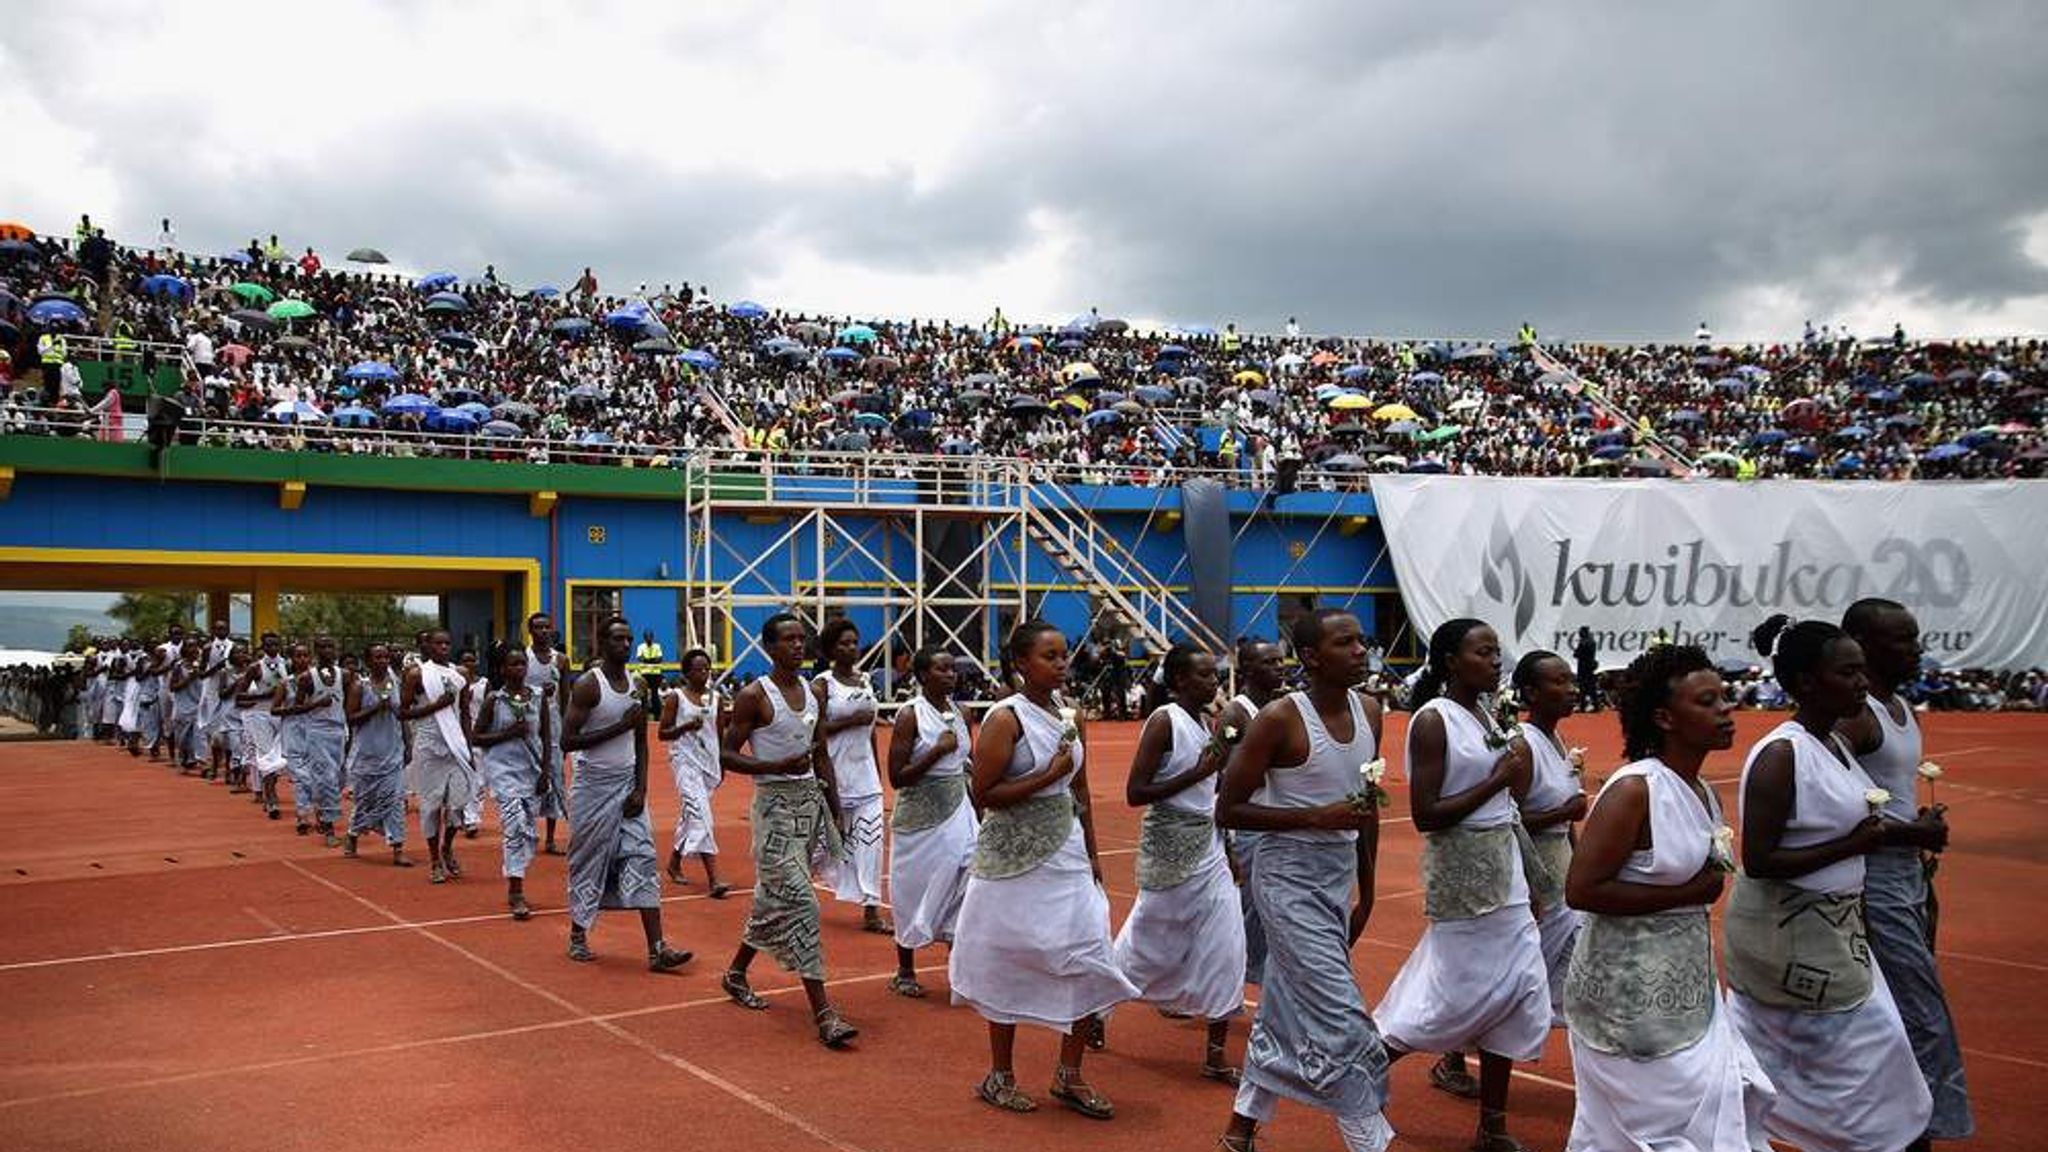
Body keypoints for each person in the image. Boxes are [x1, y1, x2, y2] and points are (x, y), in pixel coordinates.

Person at [1725, 615, 1940, 1152]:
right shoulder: (1781, 754)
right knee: (1865, 1061)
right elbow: (1759, 858)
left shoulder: (1834, 746)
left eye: (1862, 672)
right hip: (1795, 940)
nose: (1862, 684)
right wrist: (1856, 846)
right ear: (1805, 683)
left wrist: (1909, 833)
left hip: (1839, 934)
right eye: (1848, 673)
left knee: (1878, 1064)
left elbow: (1859, 823)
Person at [1561, 644, 1774, 1151]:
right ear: (1664, 717)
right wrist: (1688, 892)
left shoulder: (1702, 790)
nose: (1726, 710)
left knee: (1721, 1107)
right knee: (1656, 1130)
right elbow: (1582, 889)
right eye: (1707, 702)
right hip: (1626, 1001)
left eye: (1724, 698)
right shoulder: (1636, 790)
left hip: (1689, 992)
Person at [1214, 609, 1391, 1152]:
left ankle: (1239, 1130)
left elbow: (1365, 807)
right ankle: (1371, 1139)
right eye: (1346, 643)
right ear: (1311, 657)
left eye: (1361, 641)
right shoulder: (1280, 720)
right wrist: (1312, 818)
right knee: (1343, 1019)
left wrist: (1369, 888)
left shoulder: (1371, 711)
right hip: (1285, 878)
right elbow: (1228, 809)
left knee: (1284, 1003)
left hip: (1337, 878)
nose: (1360, 650)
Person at [1376, 618, 1549, 1152]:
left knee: (1517, 993)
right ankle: (1362, 1065)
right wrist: (1497, 777)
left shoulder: (1488, 714)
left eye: (1497, 652)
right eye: (1482, 652)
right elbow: (1428, 814)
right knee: (1452, 994)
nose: (1495, 661)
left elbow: (1509, 798)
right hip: (1464, 876)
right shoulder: (1434, 720)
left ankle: (1492, 1127)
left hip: (1506, 868)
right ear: (1450, 659)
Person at [951, 621, 1135, 1118]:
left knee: (1088, 952)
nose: (1060, 663)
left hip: (1068, 856)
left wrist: (1094, 856)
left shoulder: (1071, 714)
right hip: (1014, 861)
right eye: (1049, 656)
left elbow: (1080, 791)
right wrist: (1045, 775)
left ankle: (1069, 1074)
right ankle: (1000, 1075)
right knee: (1007, 959)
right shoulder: (1004, 718)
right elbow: (985, 795)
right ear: (1020, 664)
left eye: (1064, 655)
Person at [1838, 598, 1973, 1143]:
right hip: (1874, 882)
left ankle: (1891, 1125)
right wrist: (1909, 832)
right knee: (1918, 1012)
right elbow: (1823, 803)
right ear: (1864, 648)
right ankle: (1910, 1129)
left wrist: (1915, 829)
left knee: (1897, 1008)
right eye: (1904, 640)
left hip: (1906, 877)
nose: (1916, 649)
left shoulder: (1898, 709)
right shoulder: (1857, 715)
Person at [1434, 647, 1590, 1098]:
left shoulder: (1558, 742)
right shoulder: (1521, 743)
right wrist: (1564, 812)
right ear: (1530, 693)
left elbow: (1566, 822)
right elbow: (1512, 818)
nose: (1571, 689)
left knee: (1546, 975)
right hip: (1530, 868)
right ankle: (1453, 1053)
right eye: (1559, 682)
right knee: (1512, 978)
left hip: (1559, 868)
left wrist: (1575, 853)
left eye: (1571, 680)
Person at [717, 613, 859, 1048]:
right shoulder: (754, 696)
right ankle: (824, 1014)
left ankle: (736, 971)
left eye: (802, 639)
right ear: (769, 647)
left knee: (771, 901)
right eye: (789, 639)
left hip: (809, 809)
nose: (798, 646)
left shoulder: (814, 695)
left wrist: (835, 810)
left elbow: (821, 757)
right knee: (803, 903)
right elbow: (726, 755)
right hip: (773, 812)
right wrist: (775, 766)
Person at [1112, 642, 1246, 1082]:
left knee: (1227, 944)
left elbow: (1211, 793)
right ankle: (1099, 1003)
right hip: (1169, 846)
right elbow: (1136, 793)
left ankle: (1215, 1052)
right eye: (1205, 675)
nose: (1214, 682)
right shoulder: (1163, 722)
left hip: (1210, 848)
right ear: (1179, 681)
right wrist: (1200, 772)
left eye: (1215, 674)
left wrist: (1227, 847)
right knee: (1147, 940)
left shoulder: (1207, 722)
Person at [559, 618, 692, 971]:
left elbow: (640, 743)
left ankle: (657, 948)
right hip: (592, 786)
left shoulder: (638, 686)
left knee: (643, 858)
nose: (626, 644)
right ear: (601, 642)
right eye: (618, 639)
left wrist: (640, 788)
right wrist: (619, 725)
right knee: (587, 860)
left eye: (629, 638)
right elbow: (567, 741)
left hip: (627, 786)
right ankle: (578, 933)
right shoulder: (589, 685)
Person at [883, 646, 977, 998]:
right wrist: (937, 751)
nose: (951, 674)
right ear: (922, 676)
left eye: (953, 668)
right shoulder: (911, 716)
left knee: (966, 881)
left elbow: (971, 762)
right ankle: (905, 969)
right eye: (942, 670)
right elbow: (897, 776)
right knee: (911, 891)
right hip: (920, 821)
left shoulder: (963, 712)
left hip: (959, 812)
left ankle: (958, 966)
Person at [814, 620, 889, 933]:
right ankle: (789, 897)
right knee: (819, 844)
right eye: (843, 643)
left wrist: (877, 768)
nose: (850, 648)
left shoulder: (867, 681)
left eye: (854, 642)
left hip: (865, 777)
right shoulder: (822, 685)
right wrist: (850, 722)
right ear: (831, 649)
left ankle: (871, 910)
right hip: (832, 775)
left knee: (872, 842)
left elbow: (869, 730)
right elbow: (812, 734)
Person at [1222, 638, 1287, 985]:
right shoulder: (1237, 712)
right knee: (1252, 904)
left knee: (1273, 904)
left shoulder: (1284, 708)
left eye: (1281, 661)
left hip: (1280, 818)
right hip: (1250, 821)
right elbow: (1225, 773)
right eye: (1270, 663)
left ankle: (1260, 973)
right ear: (1247, 670)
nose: (1280, 667)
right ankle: (1237, 971)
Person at [471, 643, 552, 921]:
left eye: (522, 664)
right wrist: (508, 733)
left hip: (531, 770)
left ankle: (517, 872)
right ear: (502, 669)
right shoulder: (494, 700)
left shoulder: (538, 697)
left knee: (528, 830)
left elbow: (545, 736)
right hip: (504, 773)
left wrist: (545, 772)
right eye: (513, 664)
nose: (519, 669)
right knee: (515, 825)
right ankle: (516, 890)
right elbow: (477, 737)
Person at [400, 630, 477, 883]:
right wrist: (436, 706)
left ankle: (447, 845)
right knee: (431, 805)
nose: (443, 647)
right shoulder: (416, 675)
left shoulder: (460, 674)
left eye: (447, 643)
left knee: (458, 804)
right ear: (427, 646)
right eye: (438, 643)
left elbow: (464, 711)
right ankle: (434, 859)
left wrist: (469, 746)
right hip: (429, 745)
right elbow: (402, 713)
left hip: (455, 746)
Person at [658, 648, 728, 896]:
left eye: (707, 669)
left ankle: (674, 862)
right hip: (685, 763)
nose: (704, 674)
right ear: (686, 673)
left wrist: (722, 764)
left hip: (709, 765)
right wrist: (685, 726)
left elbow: (720, 734)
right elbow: (662, 733)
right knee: (701, 815)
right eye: (699, 669)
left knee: (691, 814)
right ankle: (714, 879)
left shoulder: (717, 698)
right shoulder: (676, 698)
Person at [343, 644, 411, 867]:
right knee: (365, 799)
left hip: (392, 751)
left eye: (385, 657)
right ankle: (353, 833)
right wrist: (375, 708)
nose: (383, 660)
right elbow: (351, 718)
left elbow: (402, 715)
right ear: (368, 661)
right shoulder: (359, 686)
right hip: (367, 753)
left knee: (395, 801)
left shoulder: (396, 683)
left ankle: (397, 847)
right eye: (378, 657)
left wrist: (408, 744)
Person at [525, 613, 568, 856]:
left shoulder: (560, 660)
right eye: (538, 627)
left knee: (555, 778)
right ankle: (528, 831)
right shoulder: (523, 658)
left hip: (554, 727)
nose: (543, 631)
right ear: (530, 631)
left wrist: (567, 731)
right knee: (529, 777)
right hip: (529, 726)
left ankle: (551, 838)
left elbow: (566, 698)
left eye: (547, 627)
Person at [235, 634, 290, 817]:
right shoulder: (255, 667)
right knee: (266, 755)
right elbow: (240, 696)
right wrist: (264, 695)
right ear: (263, 647)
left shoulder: (287, 665)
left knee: (283, 756)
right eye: (269, 644)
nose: (273, 647)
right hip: (261, 715)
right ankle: (271, 797)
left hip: (282, 714)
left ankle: (270, 789)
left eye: (276, 644)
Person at [634, 629, 665, 702]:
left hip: (655, 673)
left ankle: (656, 711)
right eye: (647, 637)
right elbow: (640, 658)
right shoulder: (640, 647)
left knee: (655, 693)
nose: (649, 639)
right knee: (643, 693)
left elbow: (659, 659)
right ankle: (644, 710)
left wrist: (647, 660)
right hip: (644, 673)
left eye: (650, 637)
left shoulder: (657, 646)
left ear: (652, 637)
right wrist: (652, 660)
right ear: (644, 638)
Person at [1573, 626, 1600, 711]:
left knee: (1583, 687)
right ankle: (1596, 705)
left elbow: (1576, 654)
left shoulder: (1583, 642)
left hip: (1583, 667)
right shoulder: (1593, 642)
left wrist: (1577, 652)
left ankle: (1582, 706)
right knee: (1591, 687)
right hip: (1590, 667)